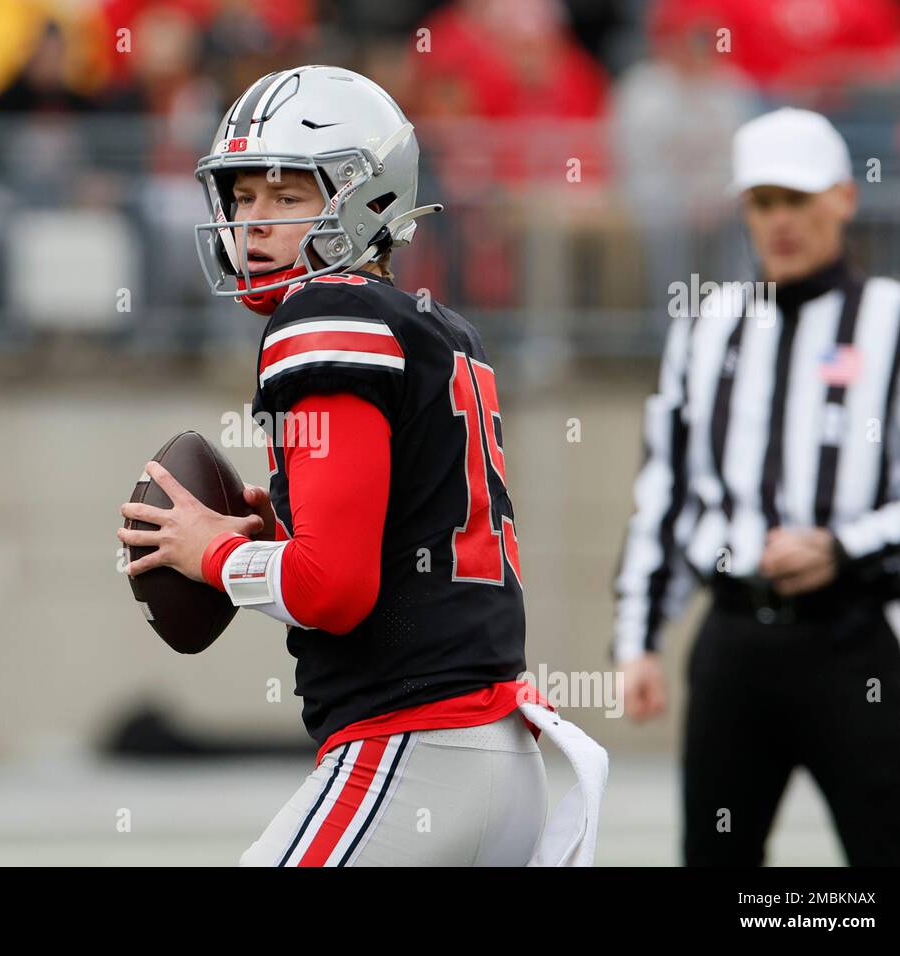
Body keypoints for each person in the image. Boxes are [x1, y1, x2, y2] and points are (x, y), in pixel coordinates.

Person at [117, 65, 606, 866]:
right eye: (242, 198)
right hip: (499, 757)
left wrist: (212, 553)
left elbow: (333, 591)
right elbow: (408, 524)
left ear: (365, 195)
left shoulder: (326, 314)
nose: (254, 223)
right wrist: (285, 521)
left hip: (415, 752)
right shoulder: (436, 325)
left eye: (285, 196)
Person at [613, 107, 900, 866]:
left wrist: (843, 547)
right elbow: (668, 484)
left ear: (844, 199)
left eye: (798, 199)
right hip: (733, 643)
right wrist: (638, 638)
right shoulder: (709, 324)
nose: (780, 221)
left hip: (857, 641)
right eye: (763, 202)